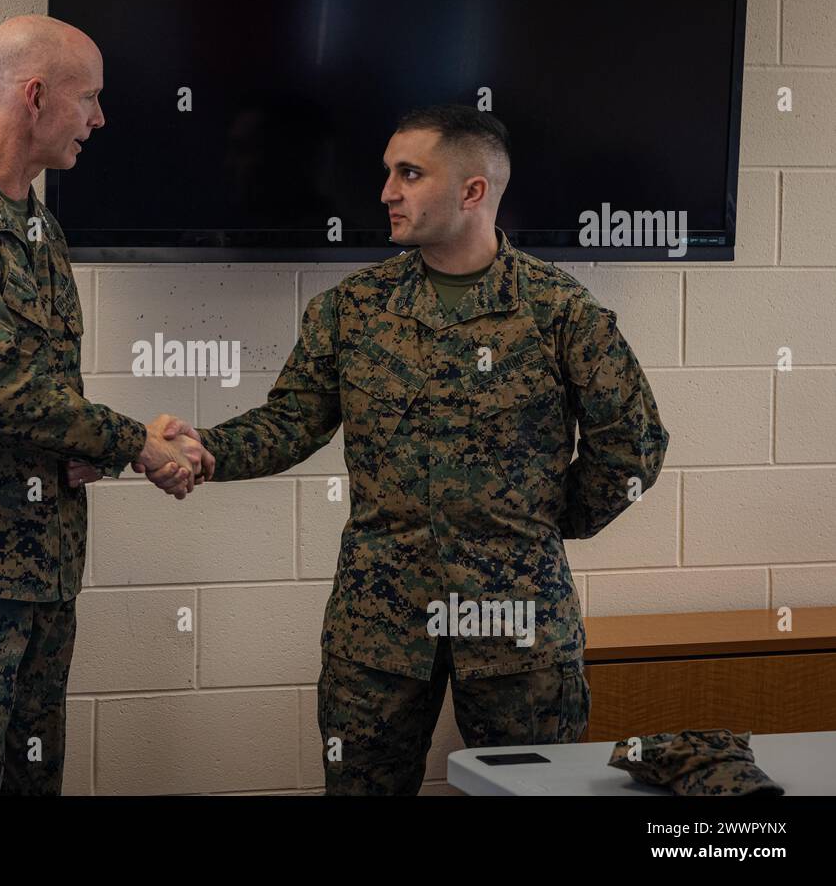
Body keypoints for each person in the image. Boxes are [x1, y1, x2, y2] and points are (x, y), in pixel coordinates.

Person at [151, 103, 670, 794]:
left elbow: (633, 446)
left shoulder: (560, 312)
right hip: (379, 630)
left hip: (519, 626)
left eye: (409, 173)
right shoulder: (353, 309)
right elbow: (289, 422)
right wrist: (205, 447)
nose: (386, 192)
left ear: (472, 191)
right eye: (387, 172)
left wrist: (542, 523)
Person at [0, 14, 214, 795]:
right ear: (35, 95)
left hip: (43, 566)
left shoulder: (39, 227)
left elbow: (41, 395)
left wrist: (93, 446)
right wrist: (133, 442)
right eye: (88, 98)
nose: (99, 119)